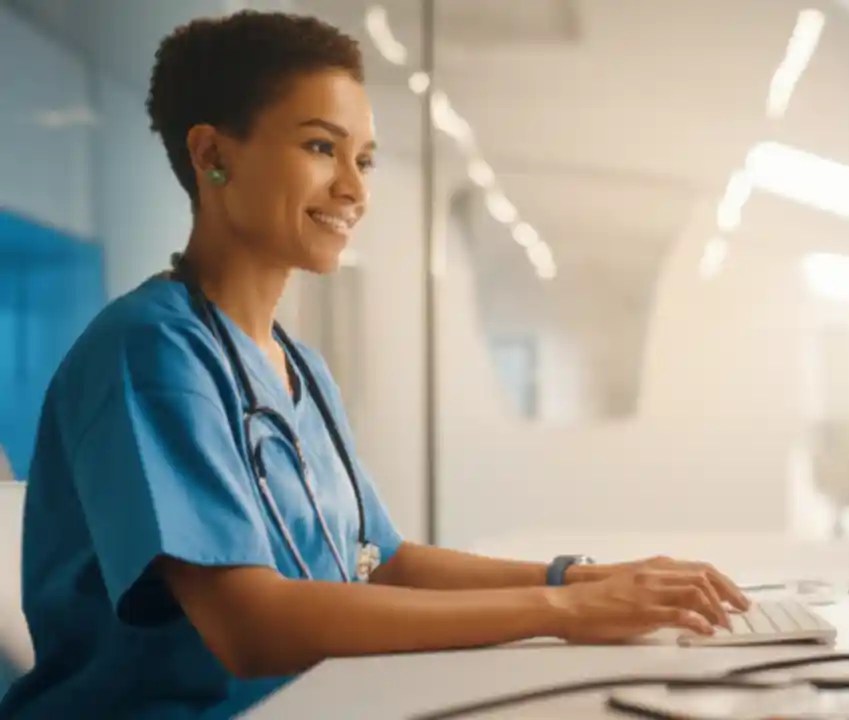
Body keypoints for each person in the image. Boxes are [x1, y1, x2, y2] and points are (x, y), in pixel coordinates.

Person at [0, 12, 747, 719]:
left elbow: (381, 562)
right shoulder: (151, 352)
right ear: (212, 155)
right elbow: (249, 624)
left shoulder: (299, 369)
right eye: (321, 148)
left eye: (363, 159)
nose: (355, 189)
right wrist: (565, 613)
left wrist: (578, 578)